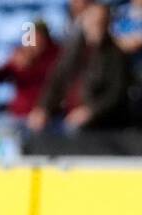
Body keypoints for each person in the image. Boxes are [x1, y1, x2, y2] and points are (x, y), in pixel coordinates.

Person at [29, 2, 131, 133]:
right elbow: (57, 79)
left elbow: (115, 93)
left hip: (100, 123)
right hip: (66, 115)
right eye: (93, 22)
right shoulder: (73, 50)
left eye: (101, 22)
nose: (97, 27)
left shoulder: (115, 55)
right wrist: (43, 108)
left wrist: (91, 110)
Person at [0, 19, 60, 121]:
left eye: (37, 36)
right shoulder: (20, 55)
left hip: (49, 113)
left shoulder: (57, 55)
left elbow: (58, 79)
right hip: (21, 113)